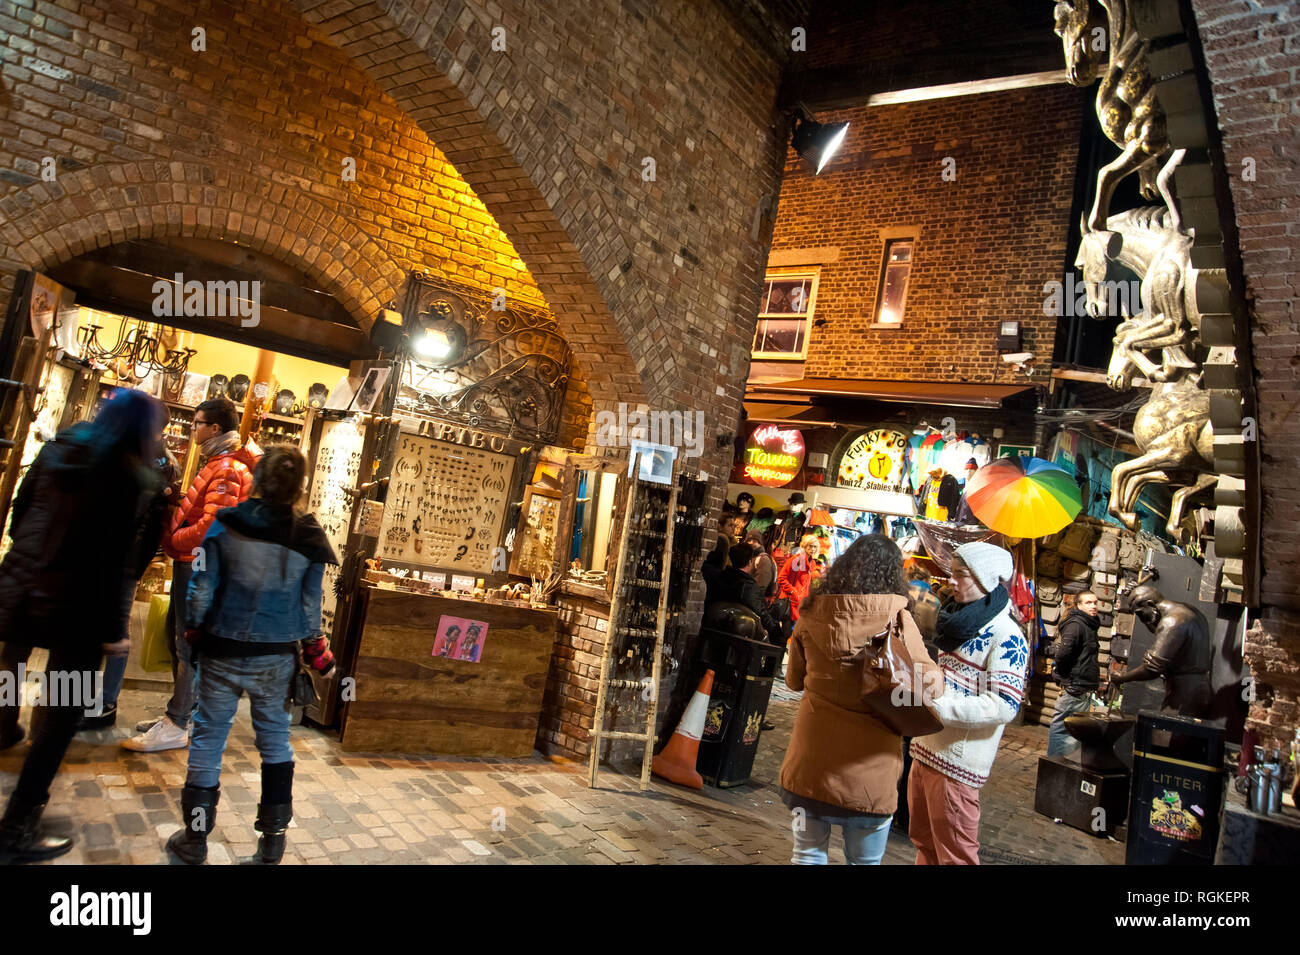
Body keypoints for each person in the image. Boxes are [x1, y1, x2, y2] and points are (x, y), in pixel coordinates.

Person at [0, 389, 164, 863]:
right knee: (61, 712)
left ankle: (3, 726)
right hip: (76, 607)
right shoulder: (128, 473)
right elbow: (116, 559)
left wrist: (24, 558)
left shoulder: (58, 448)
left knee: (10, 663)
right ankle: (18, 823)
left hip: (23, 583)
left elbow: (20, 508)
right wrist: (115, 629)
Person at [166, 446, 337, 865]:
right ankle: (272, 844)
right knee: (276, 744)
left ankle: (195, 839)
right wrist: (316, 650)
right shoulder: (309, 535)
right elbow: (310, 606)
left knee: (208, 739)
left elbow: (201, 587)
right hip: (276, 657)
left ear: (258, 479)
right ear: (300, 486)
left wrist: (192, 632)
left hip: (222, 647)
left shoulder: (227, 523)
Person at [779, 534, 942, 865]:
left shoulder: (812, 612)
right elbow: (930, 687)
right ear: (892, 573)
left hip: (811, 763)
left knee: (806, 855)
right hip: (871, 770)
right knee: (864, 863)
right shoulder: (898, 619)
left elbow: (794, 680)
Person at [124, 397, 258, 753]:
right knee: (181, 643)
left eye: (198, 423)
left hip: (199, 563)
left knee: (187, 646)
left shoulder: (227, 468)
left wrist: (173, 539)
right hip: (195, 561)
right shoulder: (218, 462)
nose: (192, 428)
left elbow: (213, 524)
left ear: (215, 428)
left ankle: (178, 722)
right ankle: (180, 715)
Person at [908, 541, 1028, 865]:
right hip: (925, 750)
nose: (951, 581)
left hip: (956, 765)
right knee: (925, 844)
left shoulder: (1007, 635)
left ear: (985, 579)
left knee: (956, 856)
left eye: (961, 575)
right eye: (953, 573)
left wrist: (939, 707)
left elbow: (1003, 703)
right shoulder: (959, 623)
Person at [79, 446, 180, 731]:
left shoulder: (142, 460)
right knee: (109, 630)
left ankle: (94, 702)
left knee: (100, 630)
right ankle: (99, 701)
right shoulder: (164, 463)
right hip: (123, 562)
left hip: (112, 560)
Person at [1110, 581, 1212, 717]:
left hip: (1184, 694)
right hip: (1199, 688)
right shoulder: (1188, 611)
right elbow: (1155, 625)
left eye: (1141, 614)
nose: (1142, 620)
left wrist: (1122, 678)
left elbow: (1152, 669)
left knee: (1165, 735)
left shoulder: (1171, 622)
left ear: (1151, 605)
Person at [1047, 591, 1101, 757]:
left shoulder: (1088, 624)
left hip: (1080, 688)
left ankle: (1062, 769)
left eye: (1095, 602)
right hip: (1075, 688)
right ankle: (1055, 768)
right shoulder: (1076, 625)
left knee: (1073, 733)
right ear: (1078, 605)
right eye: (1088, 602)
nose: (1094, 606)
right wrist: (1065, 677)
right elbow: (1063, 654)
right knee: (1063, 731)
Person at [716, 542, 780, 641]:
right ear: (750, 562)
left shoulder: (721, 577)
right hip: (741, 637)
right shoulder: (748, 587)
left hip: (718, 628)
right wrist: (776, 632)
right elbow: (761, 613)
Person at [777, 534, 820, 626]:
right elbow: (781, 578)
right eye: (810, 546)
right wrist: (793, 591)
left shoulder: (812, 562)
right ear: (804, 546)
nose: (812, 549)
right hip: (791, 602)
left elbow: (805, 584)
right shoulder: (797, 560)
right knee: (787, 633)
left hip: (800, 604)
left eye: (815, 547)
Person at [746, 531, 778, 597]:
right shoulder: (749, 557)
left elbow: (761, 585)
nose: (751, 542)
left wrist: (750, 597)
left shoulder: (763, 559)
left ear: (760, 543)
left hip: (755, 601)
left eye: (754, 540)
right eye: (749, 540)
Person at [952, 458, 981, 526]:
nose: (968, 471)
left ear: (976, 471)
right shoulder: (966, 486)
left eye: (971, 469)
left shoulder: (976, 487)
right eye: (967, 469)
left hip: (968, 525)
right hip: (961, 523)